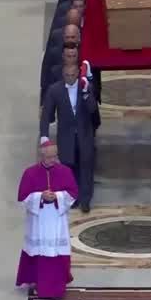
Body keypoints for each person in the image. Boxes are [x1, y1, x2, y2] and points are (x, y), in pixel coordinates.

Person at [16, 142, 79, 300]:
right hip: (38, 220)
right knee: (39, 252)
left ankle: (56, 290)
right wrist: (40, 196)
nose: (53, 160)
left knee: (56, 253)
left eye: (55, 156)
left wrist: (58, 196)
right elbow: (23, 197)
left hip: (57, 218)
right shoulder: (30, 173)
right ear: (41, 156)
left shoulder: (65, 171)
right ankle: (38, 282)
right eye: (50, 157)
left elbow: (73, 193)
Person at [40, 64, 99, 212]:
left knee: (86, 168)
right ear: (63, 74)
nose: (70, 78)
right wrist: (44, 136)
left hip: (85, 135)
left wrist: (86, 93)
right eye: (67, 75)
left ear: (78, 73)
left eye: (73, 75)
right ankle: (74, 197)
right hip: (66, 137)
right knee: (69, 168)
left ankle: (85, 200)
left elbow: (92, 109)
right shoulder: (55, 90)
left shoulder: (86, 86)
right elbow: (46, 115)